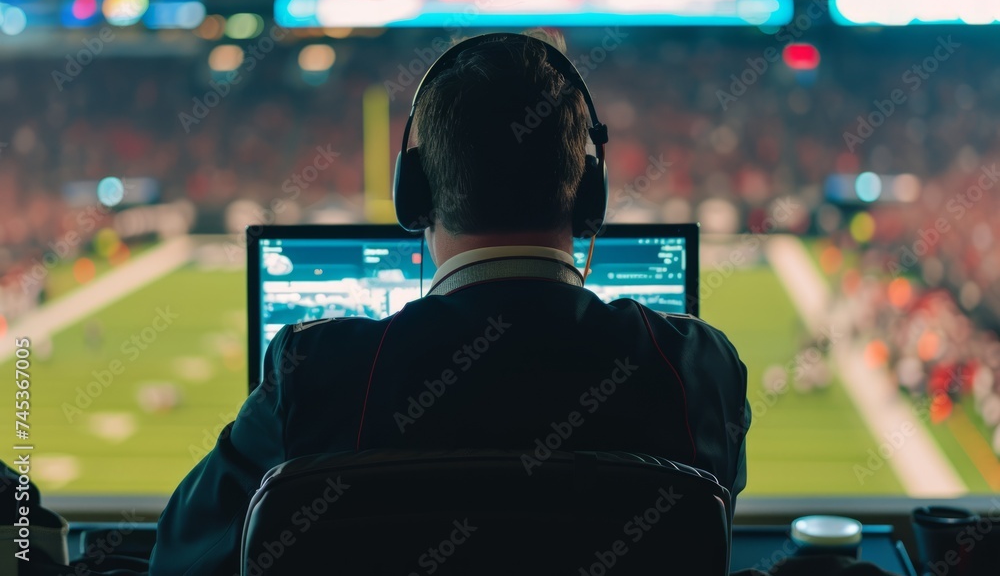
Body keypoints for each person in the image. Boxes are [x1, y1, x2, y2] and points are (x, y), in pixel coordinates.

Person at [148, 30, 751, 574]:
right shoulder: (696, 369)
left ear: (415, 195)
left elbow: (181, 557)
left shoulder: (313, 374)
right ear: (590, 196)